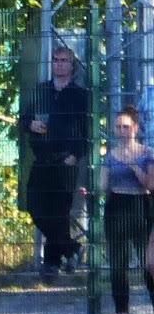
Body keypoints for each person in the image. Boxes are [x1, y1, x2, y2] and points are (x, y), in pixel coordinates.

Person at [20, 45, 90, 277]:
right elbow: (23, 119)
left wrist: (75, 155)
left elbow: (87, 131)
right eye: (55, 60)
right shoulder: (42, 90)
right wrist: (30, 124)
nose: (58, 64)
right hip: (42, 158)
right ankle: (72, 248)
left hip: (65, 160)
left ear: (72, 66)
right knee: (35, 207)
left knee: (59, 212)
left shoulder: (80, 95)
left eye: (63, 60)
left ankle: (52, 264)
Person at [102, 106, 154, 314]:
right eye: (118, 127)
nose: (122, 131)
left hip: (141, 205)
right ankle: (121, 309)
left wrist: (133, 165)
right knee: (118, 263)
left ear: (135, 128)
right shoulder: (110, 156)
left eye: (126, 127)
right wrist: (92, 191)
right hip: (117, 206)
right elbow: (103, 183)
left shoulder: (147, 153)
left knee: (148, 262)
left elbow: (150, 184)